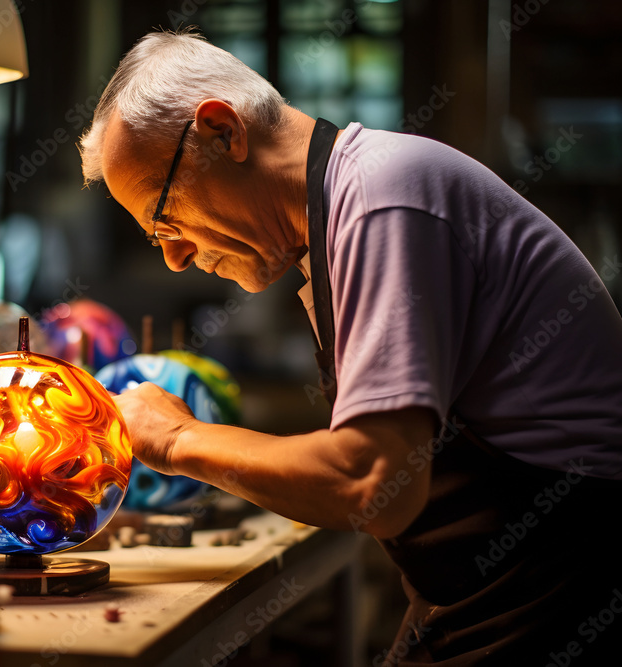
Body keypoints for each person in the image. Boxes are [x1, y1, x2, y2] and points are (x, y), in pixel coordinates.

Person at [79, 30, 622, 665]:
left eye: (164, 214)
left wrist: (174, 440)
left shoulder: (384, 198)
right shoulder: (339, 216)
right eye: (154, 237)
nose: (172, 258)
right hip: (480, 593)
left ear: (223, 131)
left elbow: (371, 480)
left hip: (561, 587)